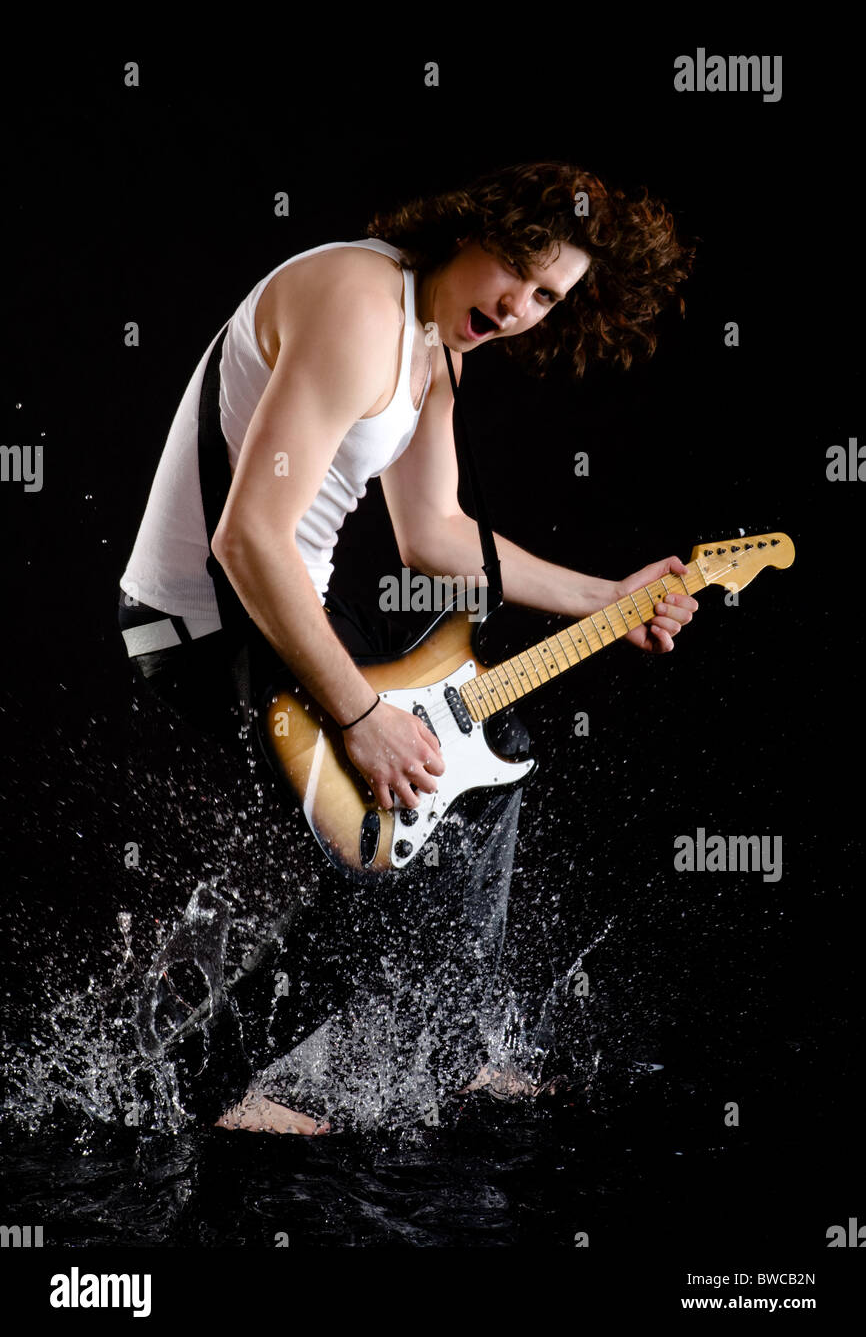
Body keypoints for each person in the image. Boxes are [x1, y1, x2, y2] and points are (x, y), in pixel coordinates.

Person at [117, 160, 698, 1135]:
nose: (516, 306)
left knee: (485, 759)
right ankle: (196, 1085)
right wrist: (358, 714)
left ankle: (452, 1059)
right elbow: (247, 538)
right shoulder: (360, 303)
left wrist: (607, 598)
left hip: (280, 603)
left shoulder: (432, 342)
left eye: (547, 298)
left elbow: (432, 531)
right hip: (201, 621)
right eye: (515, 270)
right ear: (475, 224)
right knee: (391, 848)